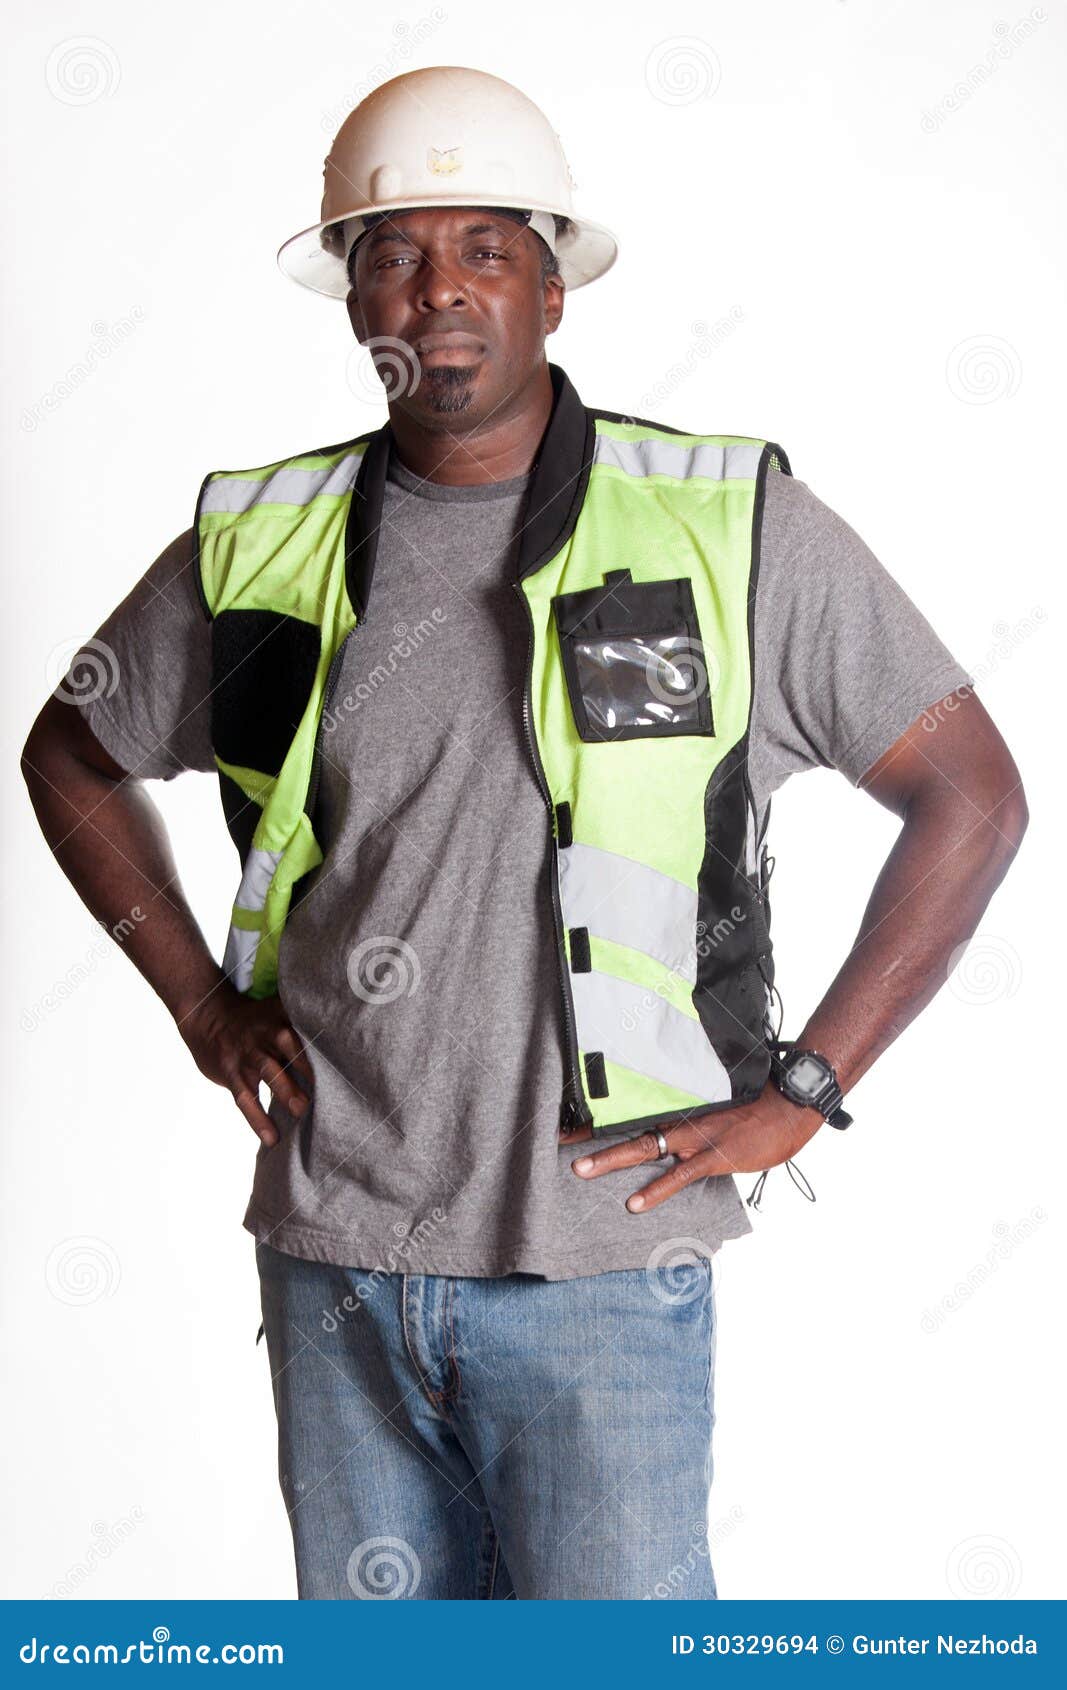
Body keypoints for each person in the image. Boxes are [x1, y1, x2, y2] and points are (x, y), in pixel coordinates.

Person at [21, 66, 1027, 1602]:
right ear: (351, 291)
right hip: (337, 1260)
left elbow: (974, 794)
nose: (437, 293)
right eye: (393, 251)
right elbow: (71, 753)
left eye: (483, 249)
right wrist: (202, 1006)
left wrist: (808, 1090)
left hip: (606, 1271)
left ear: (554, 288)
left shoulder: (722, 525)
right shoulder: (256, 541)